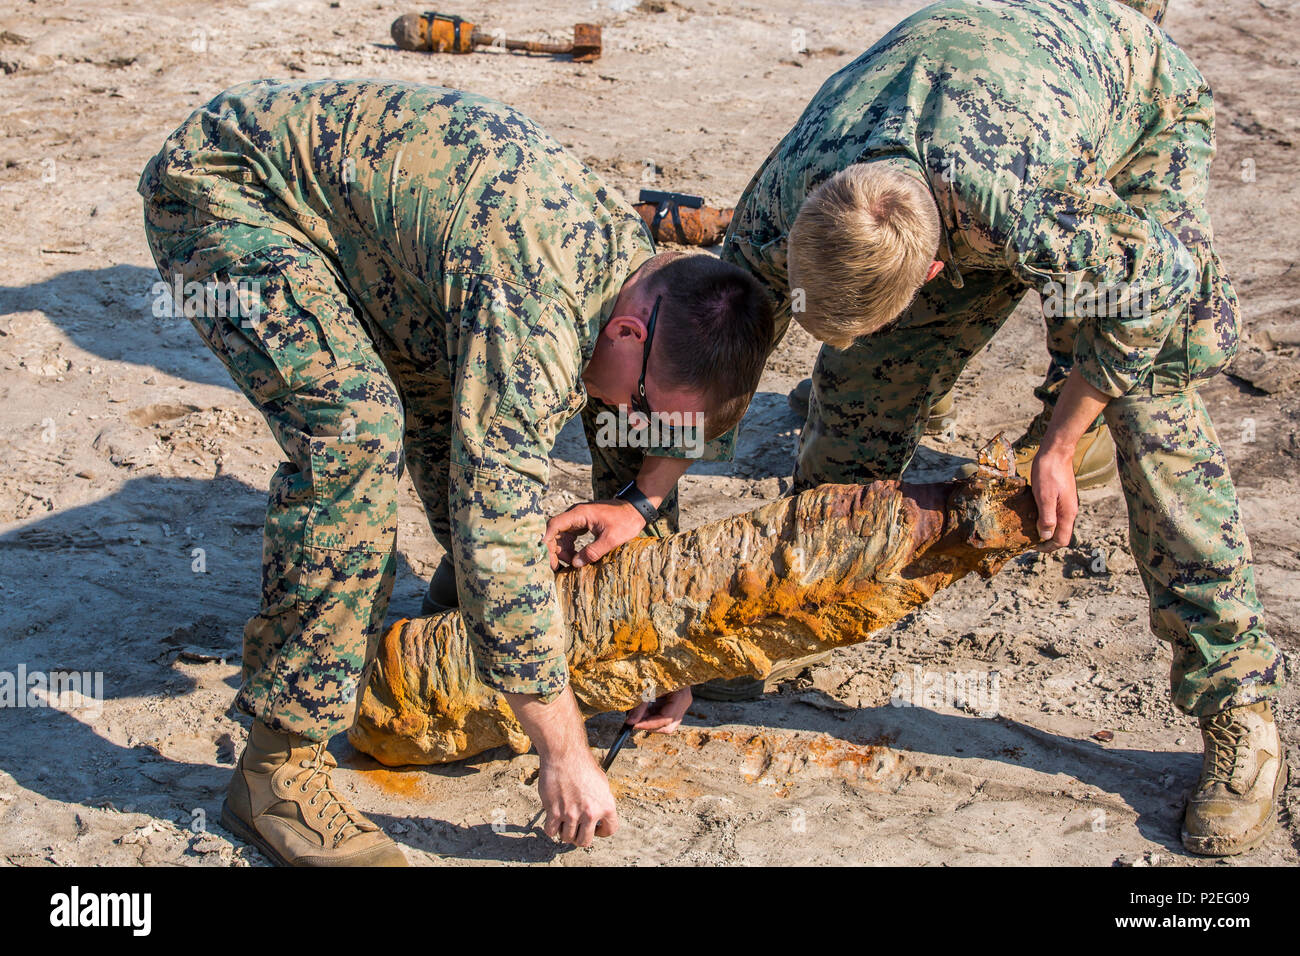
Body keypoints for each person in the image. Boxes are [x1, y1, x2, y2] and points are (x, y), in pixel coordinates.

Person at [138, 78, 774, 865]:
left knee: (449, 396)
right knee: (355, 432)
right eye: (644, 404)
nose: (636, 425)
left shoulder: (663, 279)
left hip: (370, 238)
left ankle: (460, 605)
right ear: (627, 326)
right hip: (227, 194)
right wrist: (565, 752)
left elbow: (666, 408)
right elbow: (498, 530)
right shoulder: (532, 312)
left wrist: (641, 626)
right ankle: (276, 768)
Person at [717, 0, 1286, 856]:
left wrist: (1059, 445)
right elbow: (725, 327)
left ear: (935, 272)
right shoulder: (792, 189)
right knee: (857, 398)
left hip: (1130, 115)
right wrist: (650, 482)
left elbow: (1156, 296)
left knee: (1153, 403)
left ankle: (1239, 704)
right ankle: (810, 606)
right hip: (970, 130)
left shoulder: (1037, 204)